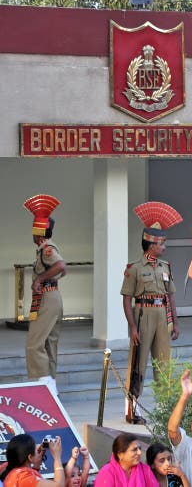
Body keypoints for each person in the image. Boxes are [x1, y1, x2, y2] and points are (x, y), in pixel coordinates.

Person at [123, 201, 183, 424]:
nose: (164, 248)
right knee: (138, 363)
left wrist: (175, 323)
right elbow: (127, 299)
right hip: (143, 315)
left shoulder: (165, 266)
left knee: (163, 364)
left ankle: (165, 409)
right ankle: (132, 409)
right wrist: (132, 327)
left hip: (161, 315)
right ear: (150, 245)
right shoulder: (135, 269)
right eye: (161, 244)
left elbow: (171, 296)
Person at [23, 194, 66, 395]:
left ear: (38, 231)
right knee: (48, 342)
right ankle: (51, 387)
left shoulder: (47, 248)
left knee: (34, 344)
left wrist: (40, 279)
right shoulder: (44, 250)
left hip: (48, 299)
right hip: (51, 296)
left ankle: (45, 383)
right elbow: (61, 270)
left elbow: (61, 266)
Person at [0, 434, 65, 487]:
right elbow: (59, 485)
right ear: (30, 457)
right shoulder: (24, 477)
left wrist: (36, 466)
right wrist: (57, 457)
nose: (38, 449)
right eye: (35, 449)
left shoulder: (11, 470)